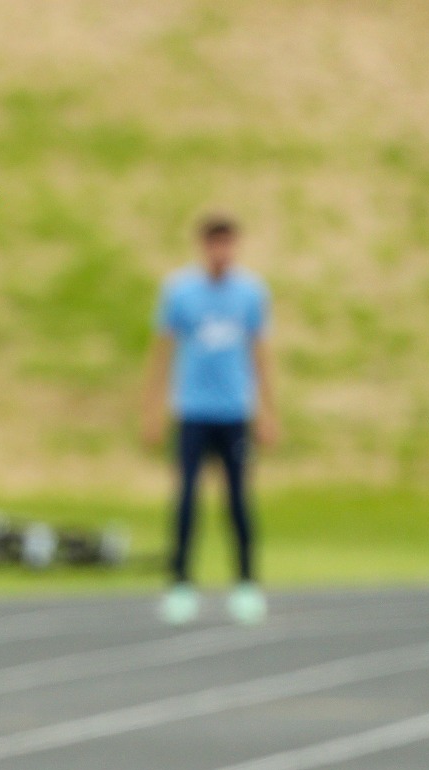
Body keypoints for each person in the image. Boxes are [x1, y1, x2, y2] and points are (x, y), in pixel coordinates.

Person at [143, 214, 278, 626]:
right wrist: (153, 410)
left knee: (238, 499)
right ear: (204, 246)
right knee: (186, 498)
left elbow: (259, 353)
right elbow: (163, 351)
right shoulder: (181, 292)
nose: (221, 252)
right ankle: (180, 583)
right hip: (193, 410)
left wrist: (267, 410)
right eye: (214, 244)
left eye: (228, 244)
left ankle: (246, 583)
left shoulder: (251, 293)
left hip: (234, 411)